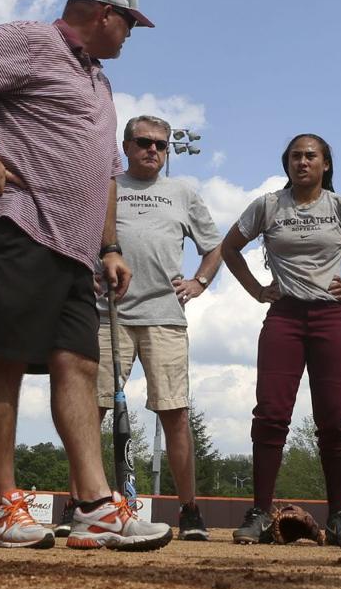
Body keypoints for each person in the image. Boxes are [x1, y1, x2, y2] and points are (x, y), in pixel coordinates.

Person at [0, 0, 172, 551]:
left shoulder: (101, 83)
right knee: (6, 357)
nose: (130, 36)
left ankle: (94, 507)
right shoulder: (36, 39)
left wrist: (109, 246)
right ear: (104, 13)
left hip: (76, 249)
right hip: (18, 222)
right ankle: (3, 506)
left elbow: (105, 174)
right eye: (129, 24)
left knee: (79, 365)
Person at [220, 134, 341, 547]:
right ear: (287, 164)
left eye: (310, 156)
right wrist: (256, 289)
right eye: (295, 156)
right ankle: (259, 513)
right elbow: (229, 248)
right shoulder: (268, 206)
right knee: (270, 414)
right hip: (283, 317)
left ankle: (339, 516)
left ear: (325, 164)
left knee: (334, 419)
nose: (302, 162)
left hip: (330, 318)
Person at [53, 115, 222, 541]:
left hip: (164, 316)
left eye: (161, 145)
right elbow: (73, 236)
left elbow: (214, 246)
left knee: (175, 413)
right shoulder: (106, 186)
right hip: (107, 314)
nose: (153, 150)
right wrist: (85, 273)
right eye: (144, 142)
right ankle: (79, 503)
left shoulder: (183, 192)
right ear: (126, 146)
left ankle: (190, 510)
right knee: (90, 411)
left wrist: (199, 282)